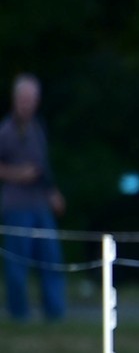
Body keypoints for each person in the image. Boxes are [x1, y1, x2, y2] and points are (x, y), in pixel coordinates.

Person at [0, 73, 68, 323]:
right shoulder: (6, 130)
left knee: (52, 259)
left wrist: (54, 193)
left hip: (41, 205)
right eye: (23, 99)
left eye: (31, 99)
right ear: (15, 99)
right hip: (17, 206)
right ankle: (18, 314)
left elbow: (43, 168)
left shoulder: (39, 128)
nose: (27, 104)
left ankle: (55, 313)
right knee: (17, 263)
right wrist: (17, 174)